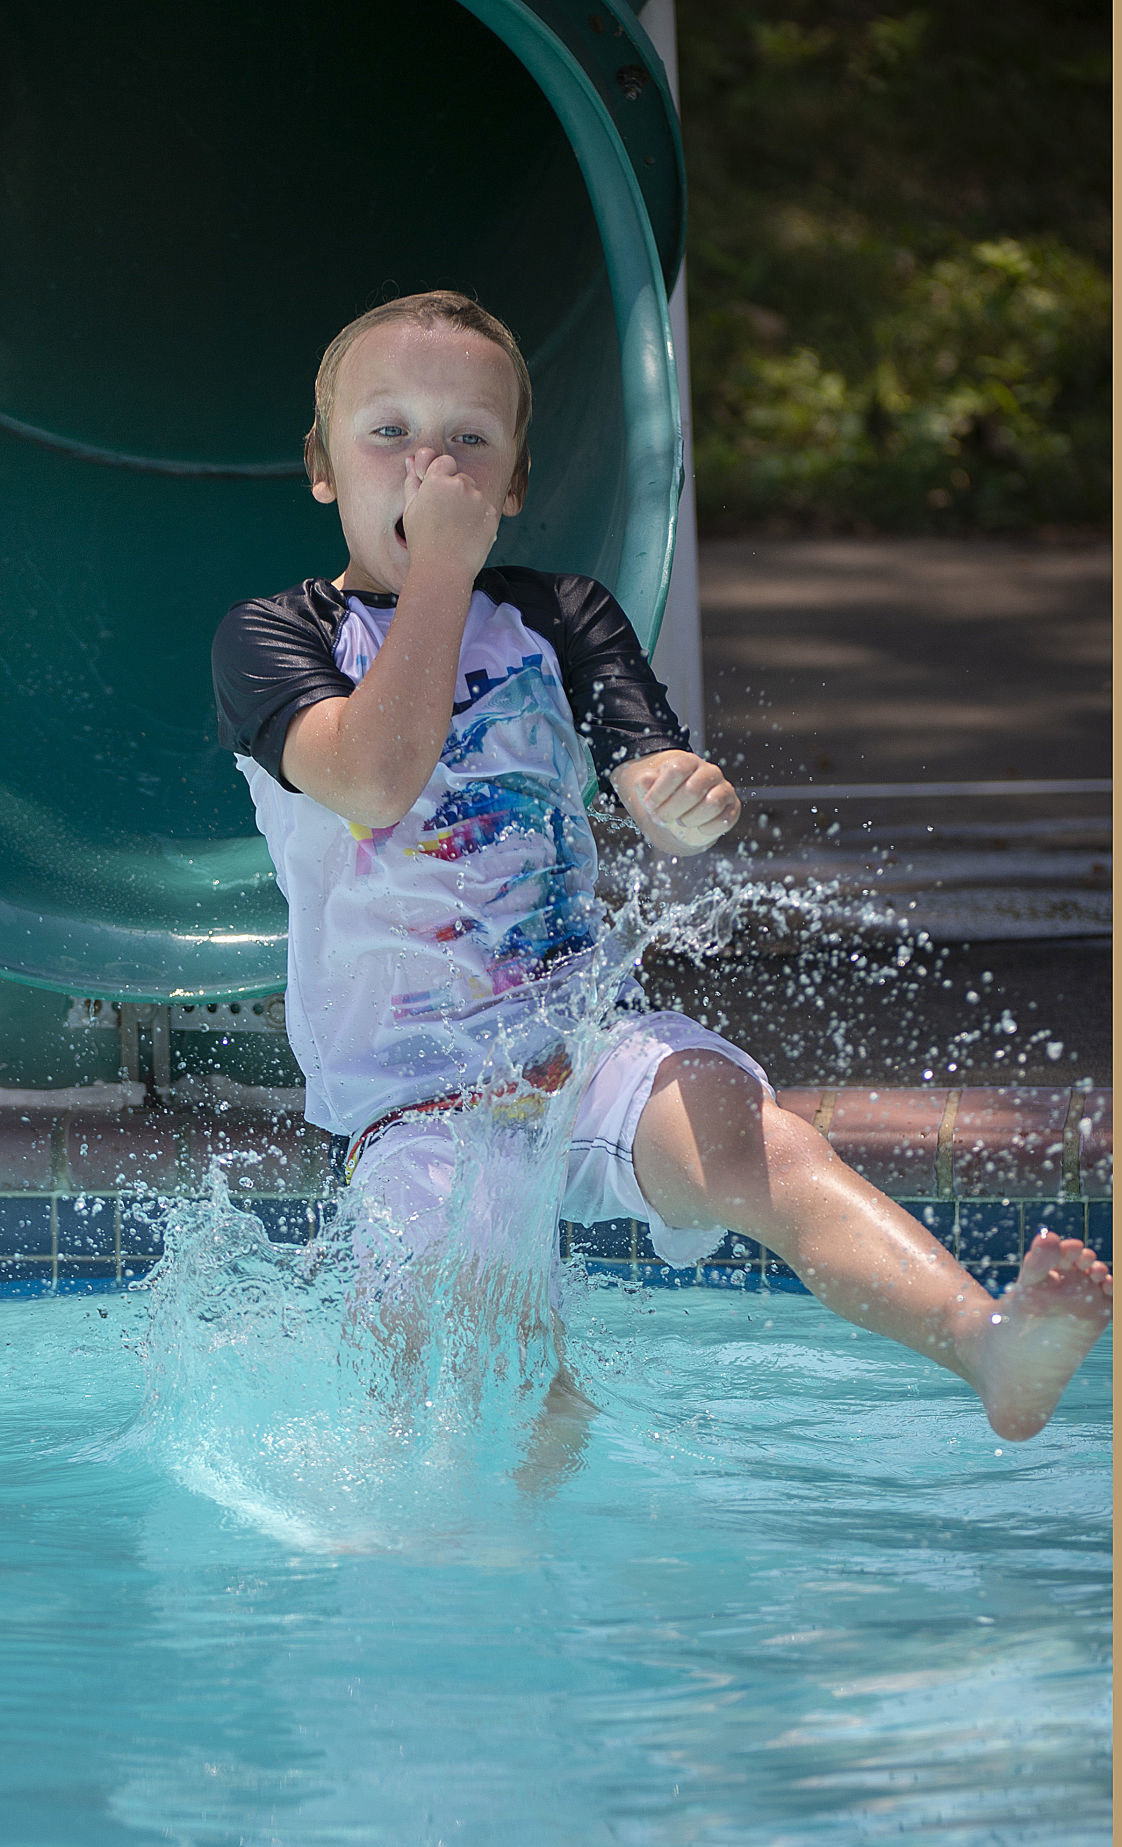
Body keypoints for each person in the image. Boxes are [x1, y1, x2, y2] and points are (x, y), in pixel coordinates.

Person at [212, 291, 1111, 1442]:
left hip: (584, 1043)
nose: (429, 466)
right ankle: (489, 1491)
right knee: (459, 1335)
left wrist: (681, 805)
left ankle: (987, 1342)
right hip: (410, 1095)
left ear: (515, 484)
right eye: (389, 432)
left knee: (752, 1138)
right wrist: (438, 575)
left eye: (469, 442)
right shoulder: (271, 638)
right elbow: (373, 781)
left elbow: (648, 765)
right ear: (323, 468)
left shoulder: (561, 615)